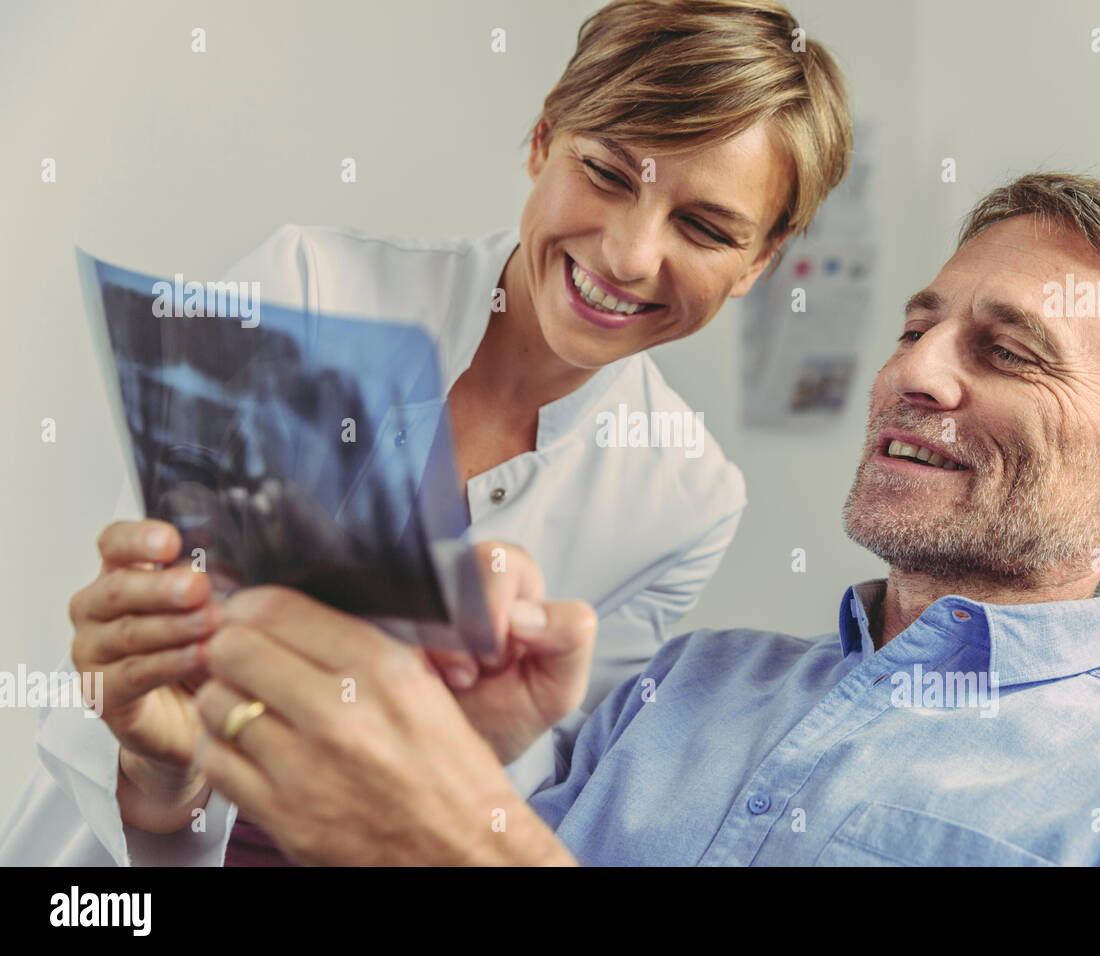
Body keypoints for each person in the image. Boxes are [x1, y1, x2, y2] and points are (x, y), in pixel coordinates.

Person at [156, 171, 1100, 866]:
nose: (914, 374)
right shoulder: (684, 686)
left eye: (1004, 352)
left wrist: (464, 837)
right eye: (915, 328)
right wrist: (183, 776)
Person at [0, 0, 853, 866]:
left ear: (759, 262)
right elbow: (134, 686)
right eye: (604, 172)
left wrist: (480, 744)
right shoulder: (307, 289)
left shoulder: (688, 502)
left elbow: (523, 801)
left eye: (705, 228)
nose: (630, 255)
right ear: (542, 139)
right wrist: (162, 769)